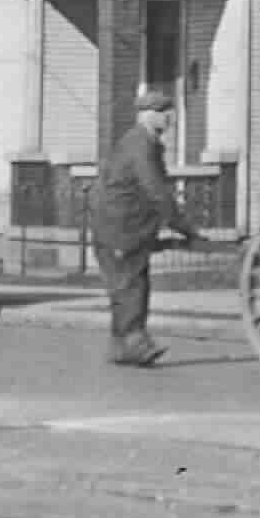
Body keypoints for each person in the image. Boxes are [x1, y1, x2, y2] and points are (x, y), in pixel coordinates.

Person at [95, 86, 198, 368]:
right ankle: (134, 343)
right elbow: (156, 190)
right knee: (132, 286)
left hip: (120, 227)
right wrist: (183, 226)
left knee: (124, 287)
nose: (170, 119)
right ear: (148, 115)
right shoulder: (141, 146)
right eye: (165, 113)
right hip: (123, 228)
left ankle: (121, 347)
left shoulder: (140, 142)